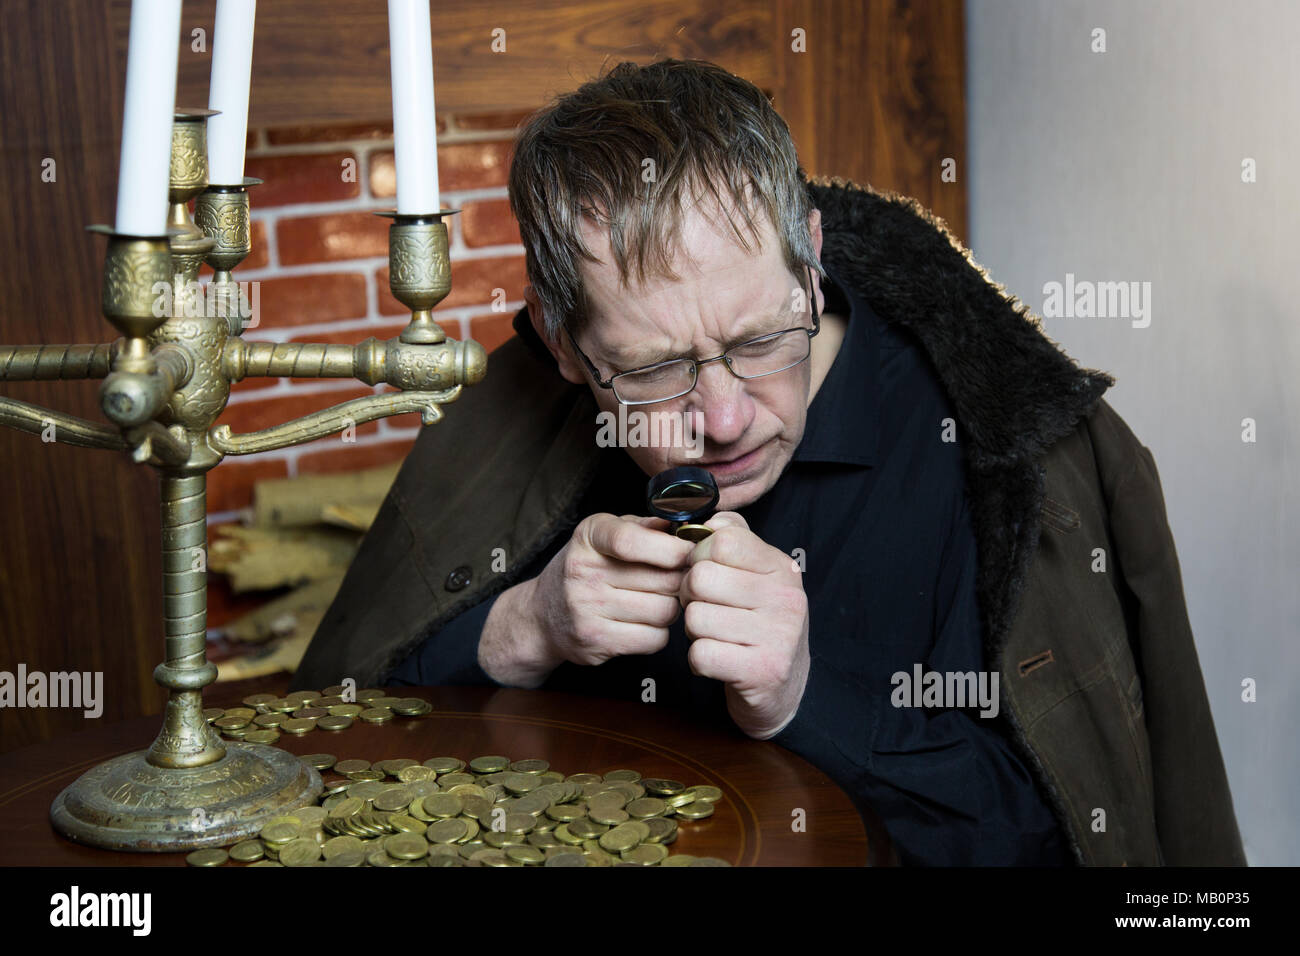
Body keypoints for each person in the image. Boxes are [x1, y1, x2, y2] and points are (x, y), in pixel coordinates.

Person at [293, 59, 1245, 866]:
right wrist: (519, 628)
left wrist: (800, 700)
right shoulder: (515, 413)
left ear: (810, 261)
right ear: (564, 345)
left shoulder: (985, 452)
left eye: (761, 339)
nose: (726, 416)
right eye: (656, 369)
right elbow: (336, 730)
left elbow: (1044, 838)